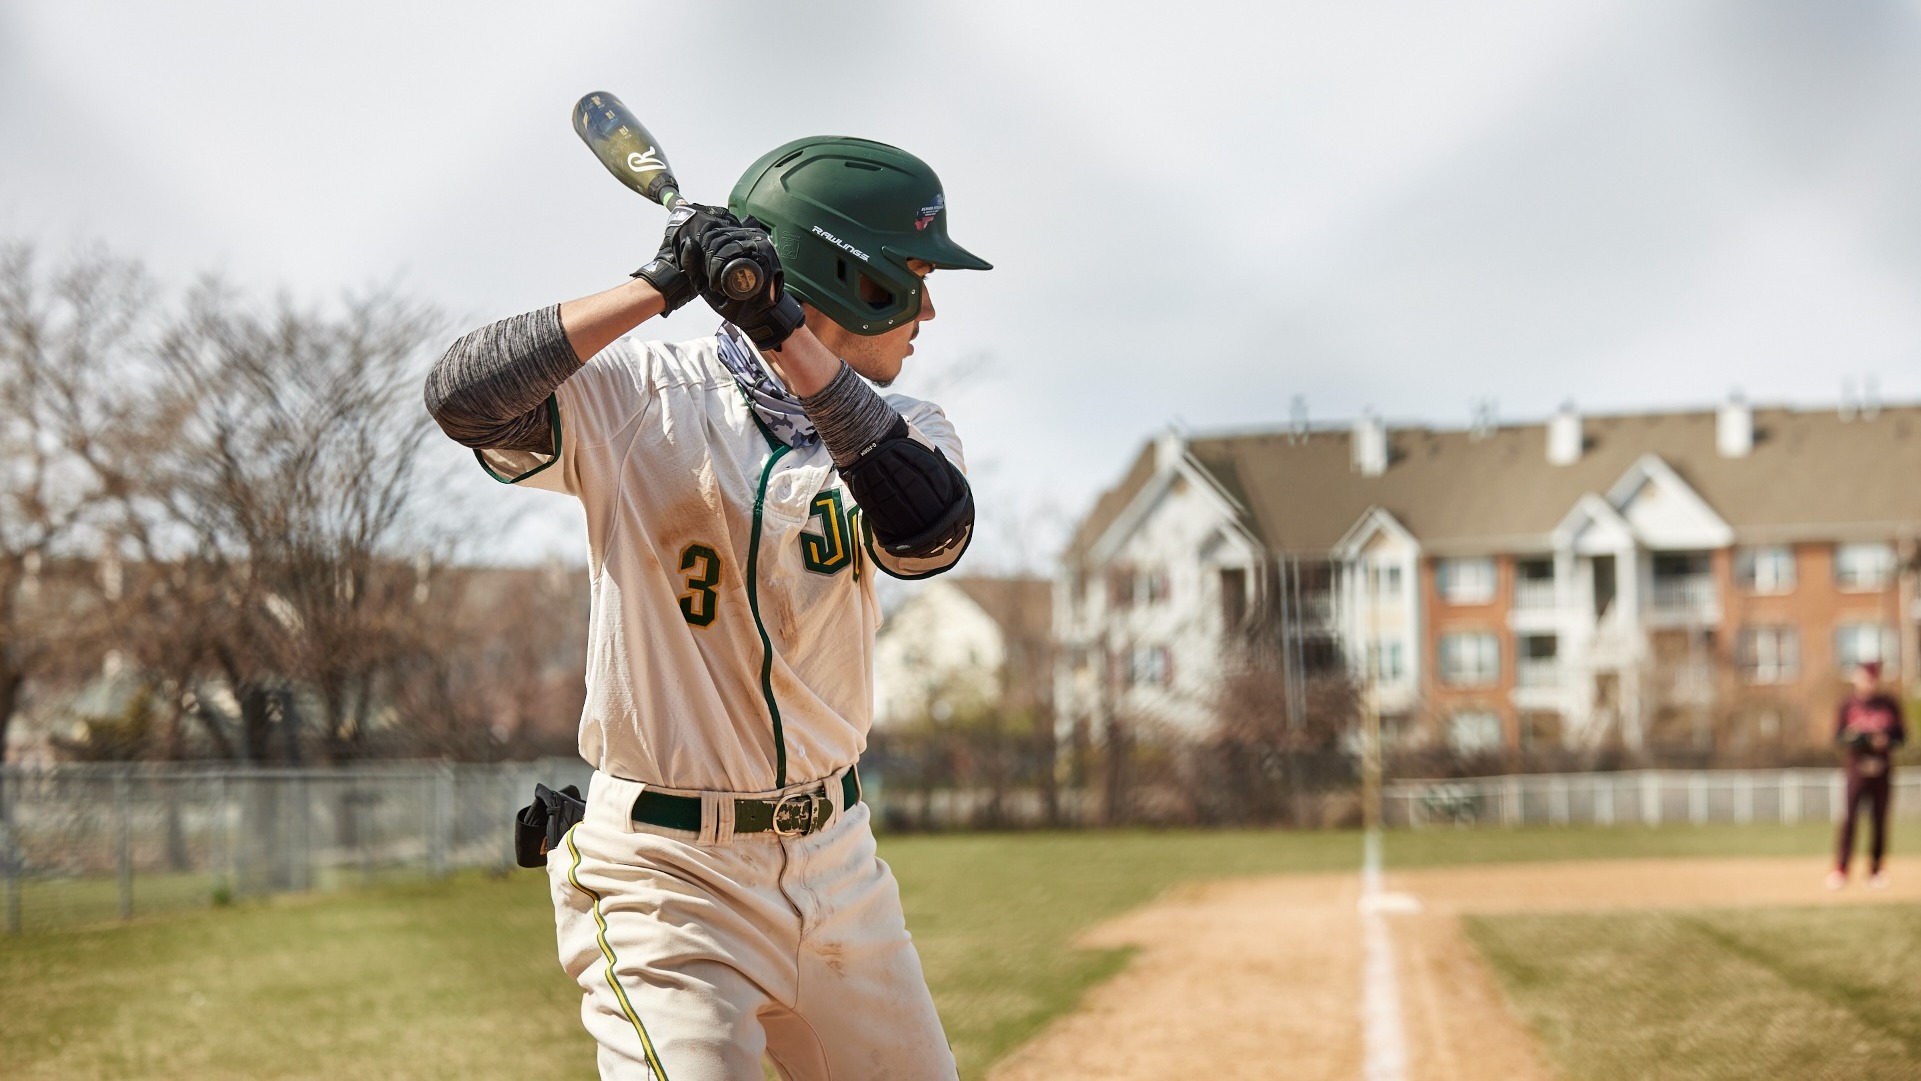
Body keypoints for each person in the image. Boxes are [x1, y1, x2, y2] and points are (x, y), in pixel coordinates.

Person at [424, 136, 989, 1080]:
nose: (928, 306)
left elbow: (927, 530)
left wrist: (780, 327)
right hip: (667, 880)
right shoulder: (638, 397)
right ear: (854, 279)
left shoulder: (910, 429)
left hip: (840, 866)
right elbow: (462, 399)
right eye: (914, 276)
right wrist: (662, 281)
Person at [1828, 660, 1905, 890]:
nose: (1868, 682)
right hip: (1856, 770)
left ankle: (1875, 870)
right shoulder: (1847, 704)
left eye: (1872, 678)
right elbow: (1839, 736)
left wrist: (1885, 740)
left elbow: (1900, 736)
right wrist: (1861, 738)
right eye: (1863, 677)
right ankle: (1841, 869)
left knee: (1879, 820)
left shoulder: (1888, 704)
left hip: (1882, 771)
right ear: (1855, 678)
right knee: (1850, 819)